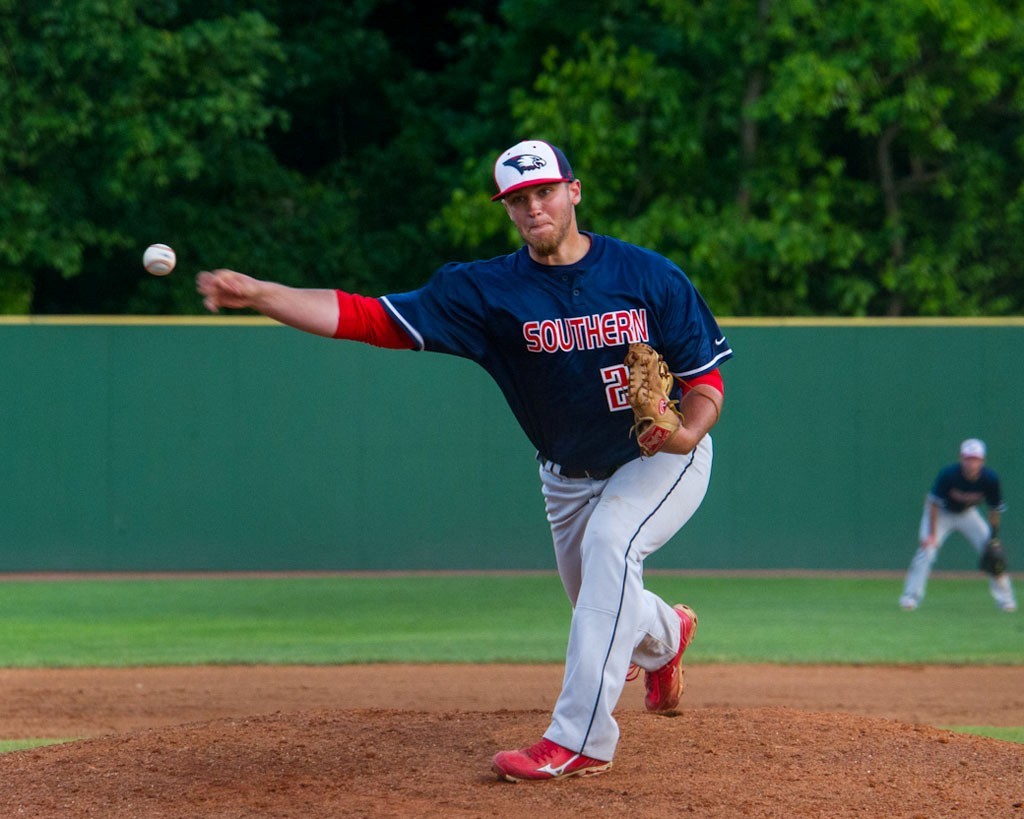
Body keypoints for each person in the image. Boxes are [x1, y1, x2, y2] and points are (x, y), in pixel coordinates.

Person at [197, 139, 733, 781]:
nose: (534, 207)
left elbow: (706, 386)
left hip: (662, 461)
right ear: (507, 209)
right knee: (602, 591)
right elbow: (370, 317)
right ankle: (667, 638)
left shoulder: (649, 276)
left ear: (574, 191)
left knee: (612, 546)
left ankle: (580, 739)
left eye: (545, 191)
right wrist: (264, 294)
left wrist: (682, 434)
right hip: (567, 478)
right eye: (519, 199)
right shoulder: (487, 292)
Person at [899, 438, 1017, 613]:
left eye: (975, 459)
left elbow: (994, 510)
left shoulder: (990, 479)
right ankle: (910, 597)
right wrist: (931, 535)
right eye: (968, 458)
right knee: (927, 551)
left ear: (982, 461)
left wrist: (994, 537)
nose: (971, 462)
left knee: (994, 555)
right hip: (941, 514)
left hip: (967, 514)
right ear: (961, 458)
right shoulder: (949, 474)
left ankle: (1006, 600)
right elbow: (933, 504)